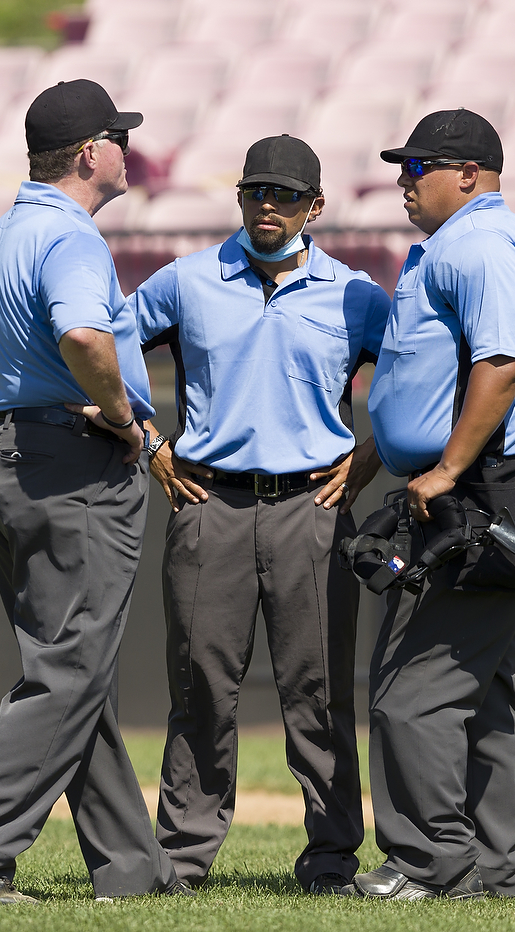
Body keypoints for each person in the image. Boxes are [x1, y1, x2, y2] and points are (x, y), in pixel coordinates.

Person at [0, 79, 187, 906]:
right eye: (120, 137)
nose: (128, 149)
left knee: (73, 664)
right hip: (71, 465)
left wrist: (17, 398)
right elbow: (81, 334)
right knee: (69, 665)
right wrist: (119, 417)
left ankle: (133, 870)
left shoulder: (1, 235)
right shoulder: (68, 237)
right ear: (90, 152)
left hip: (5, 451)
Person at [129, 135, 391, 895]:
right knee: (201, 685)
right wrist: (147, 441)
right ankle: (181, 859)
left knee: (319, 689)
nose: (266, 206)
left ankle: (332, 858)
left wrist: (372, 457)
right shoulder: (186, 281)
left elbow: (420, 380)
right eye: (254, 193)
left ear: (316, 206)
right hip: (207, 502)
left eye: (284, 195)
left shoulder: (356, 295)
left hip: (314, 506)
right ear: (239, 199)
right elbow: (104, 349)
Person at [355, 110, 515, 900]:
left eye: (417, 169)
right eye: (402, 169)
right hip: (483, 477)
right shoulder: (460, 244)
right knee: (486, 691)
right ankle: (493, 871)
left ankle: (430, 866)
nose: (403, 183)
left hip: (487, 481)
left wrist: (446, 467)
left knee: (414, 689)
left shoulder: (480, 243)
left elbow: (502, 362)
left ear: (468, 174)